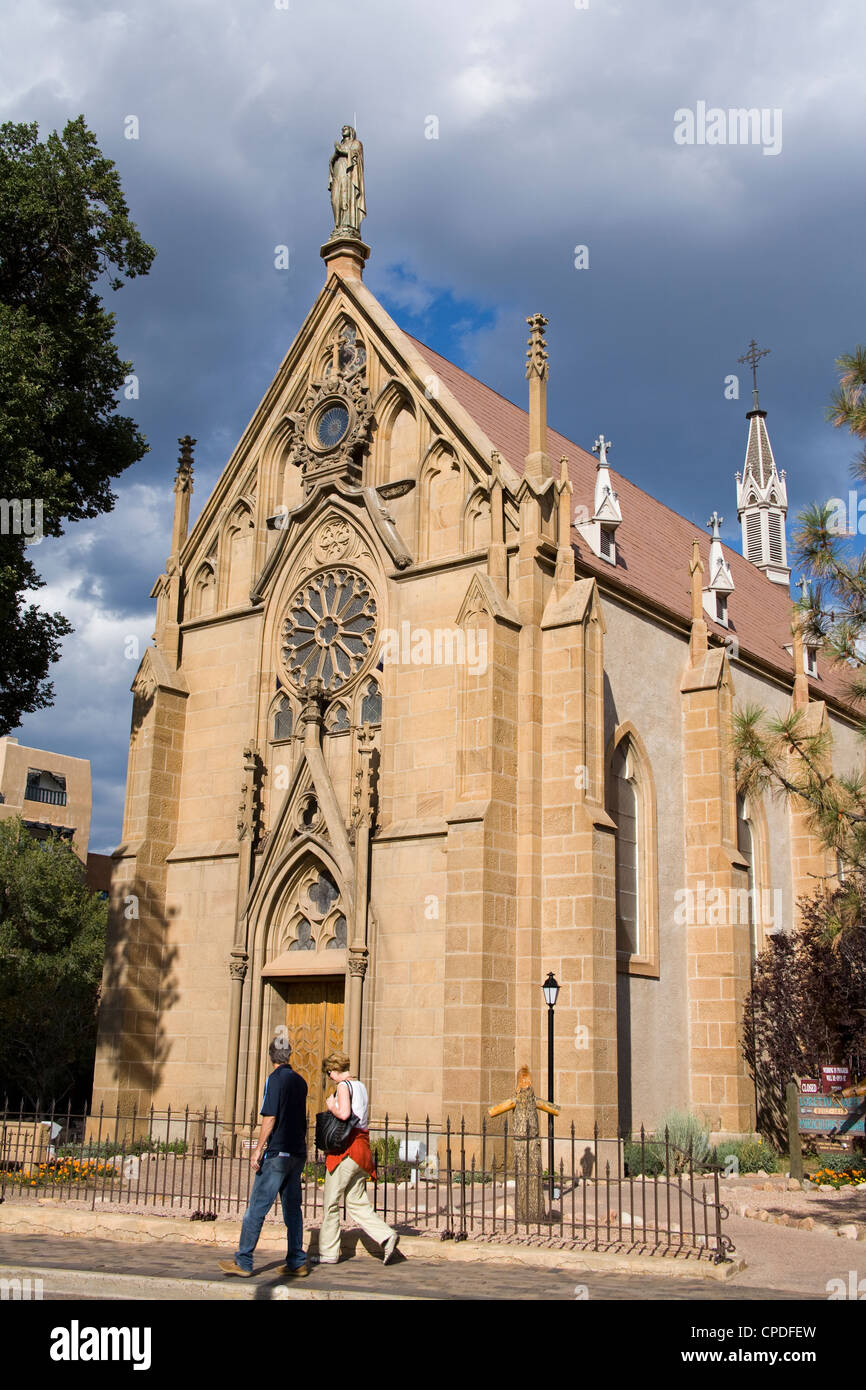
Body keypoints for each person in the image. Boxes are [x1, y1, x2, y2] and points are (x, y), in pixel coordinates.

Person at [218, 1035, 308, 1278]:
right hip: (297, 1152)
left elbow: (269, 1117)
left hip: (278, 1153)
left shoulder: (274, 1080)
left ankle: (244, 1260)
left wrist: (258, 1150)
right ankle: (297, 1261)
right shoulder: (301, 1082)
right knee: (292, 1209)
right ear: (289, 1055)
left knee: (257, 1207)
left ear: (270, 1057)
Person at [316, 1053, 399, 1266]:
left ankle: (328, 1252)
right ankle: (386, 1236)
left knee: (331, 1201)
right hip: (362, 1149)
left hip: (347, 1150)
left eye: (329, 1073)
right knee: (355, 1201)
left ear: (333, 1070)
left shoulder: (344, 1086)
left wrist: (330, 1105)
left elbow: (344, 1114)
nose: (330, 1077)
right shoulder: (360, 1086)